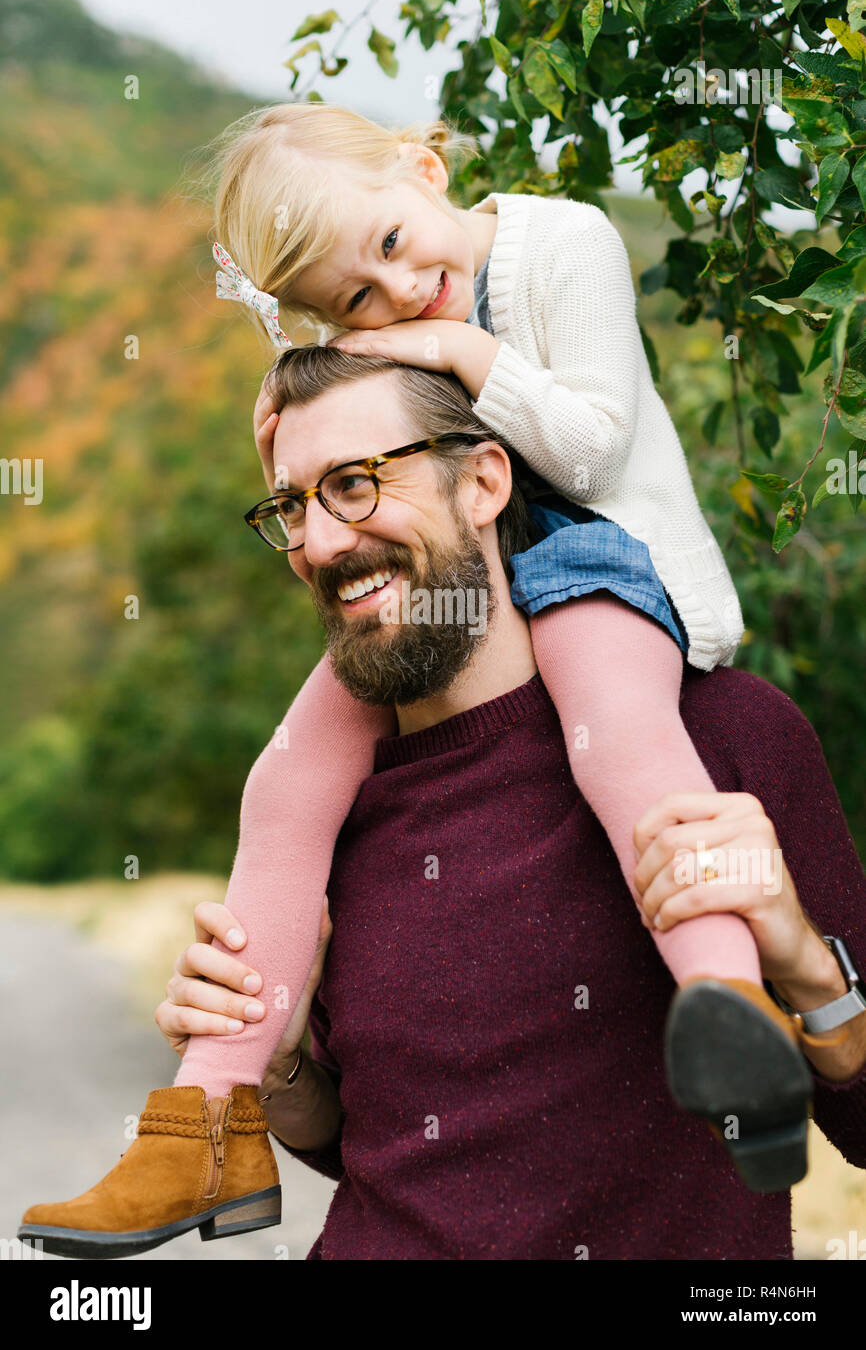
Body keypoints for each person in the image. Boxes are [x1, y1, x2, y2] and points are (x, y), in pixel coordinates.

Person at [20, 350, 866, 1260]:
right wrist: (283, 1064)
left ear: (484, 483)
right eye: (292, 506)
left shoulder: (718, 738)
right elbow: (392, 1156)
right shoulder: (323, 812)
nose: (322, 541)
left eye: (355, 483)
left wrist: (807, 965)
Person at [185, 102, 811, 1186]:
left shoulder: (558, 245)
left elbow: (593, 446)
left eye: (389, 246)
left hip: (609, 561)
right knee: (283, 785)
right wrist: (289, 413)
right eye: (351, 302)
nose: (392, 296)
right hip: (469, 596)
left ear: (423, 169)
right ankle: (204, 1117)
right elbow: (349, 434)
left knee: (614, 739)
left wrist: (455, 349)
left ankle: (729, 1007)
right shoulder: (369, 324)